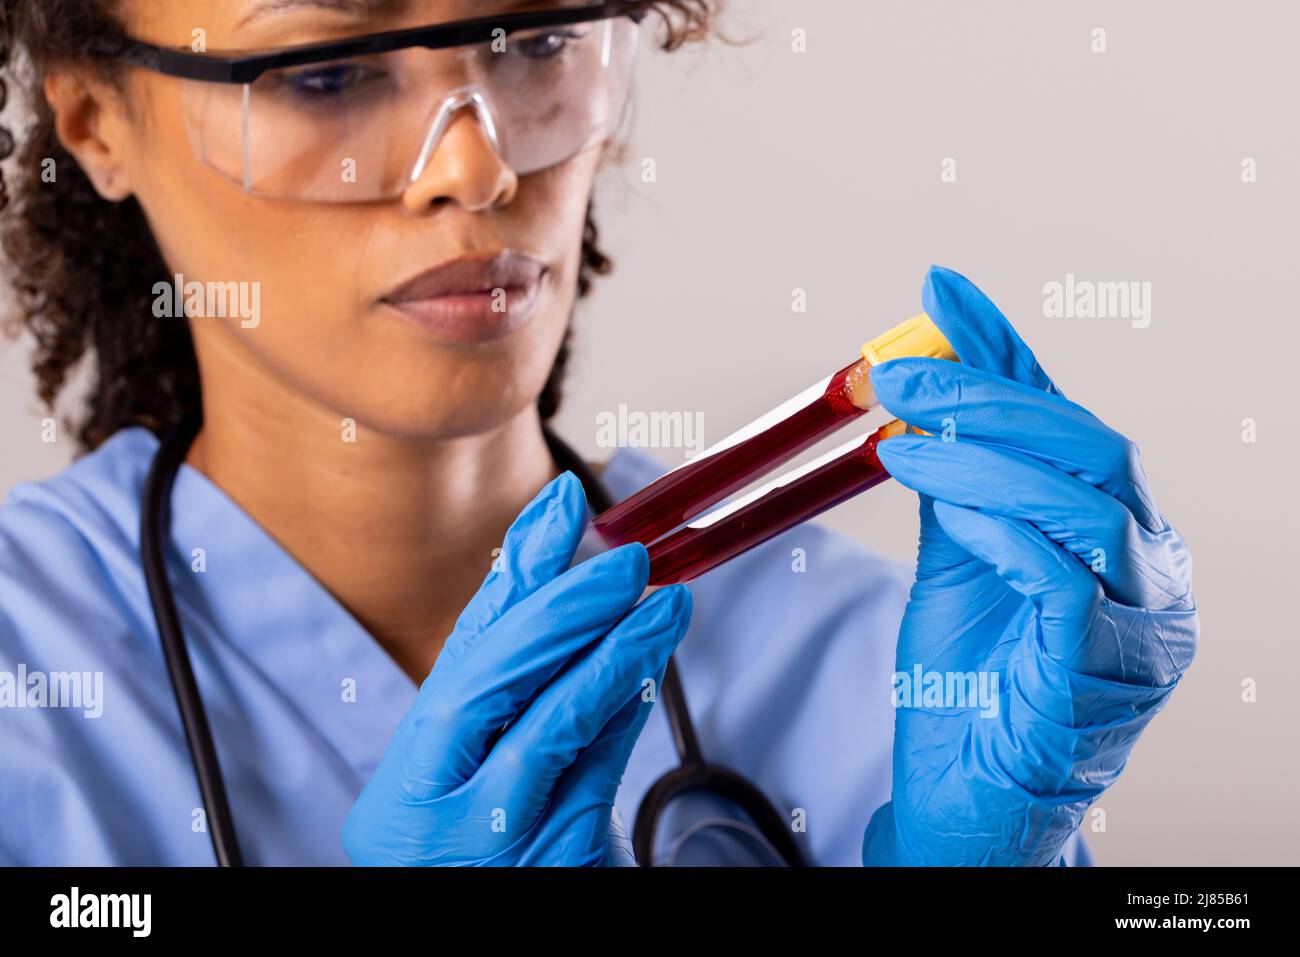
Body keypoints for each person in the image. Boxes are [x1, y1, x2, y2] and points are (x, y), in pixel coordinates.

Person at [0, 0, 1197, 866]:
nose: (471, 169)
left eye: (534, 43)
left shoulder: (882, 668)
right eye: (327, 70)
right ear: (98, 121)